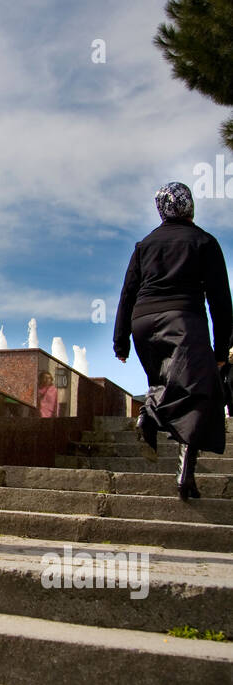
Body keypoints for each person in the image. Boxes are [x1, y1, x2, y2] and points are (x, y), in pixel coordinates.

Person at [113, 181, 232, 500]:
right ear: (189, 206)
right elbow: (221, 300)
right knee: (202, 393)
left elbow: (128, 292)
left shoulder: (145, 244)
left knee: (165, 385)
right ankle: (183, 471)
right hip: (181, 322)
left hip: (143, 324)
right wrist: (221, 350)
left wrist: (120, 341)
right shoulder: (204, 241)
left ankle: (151, 419)